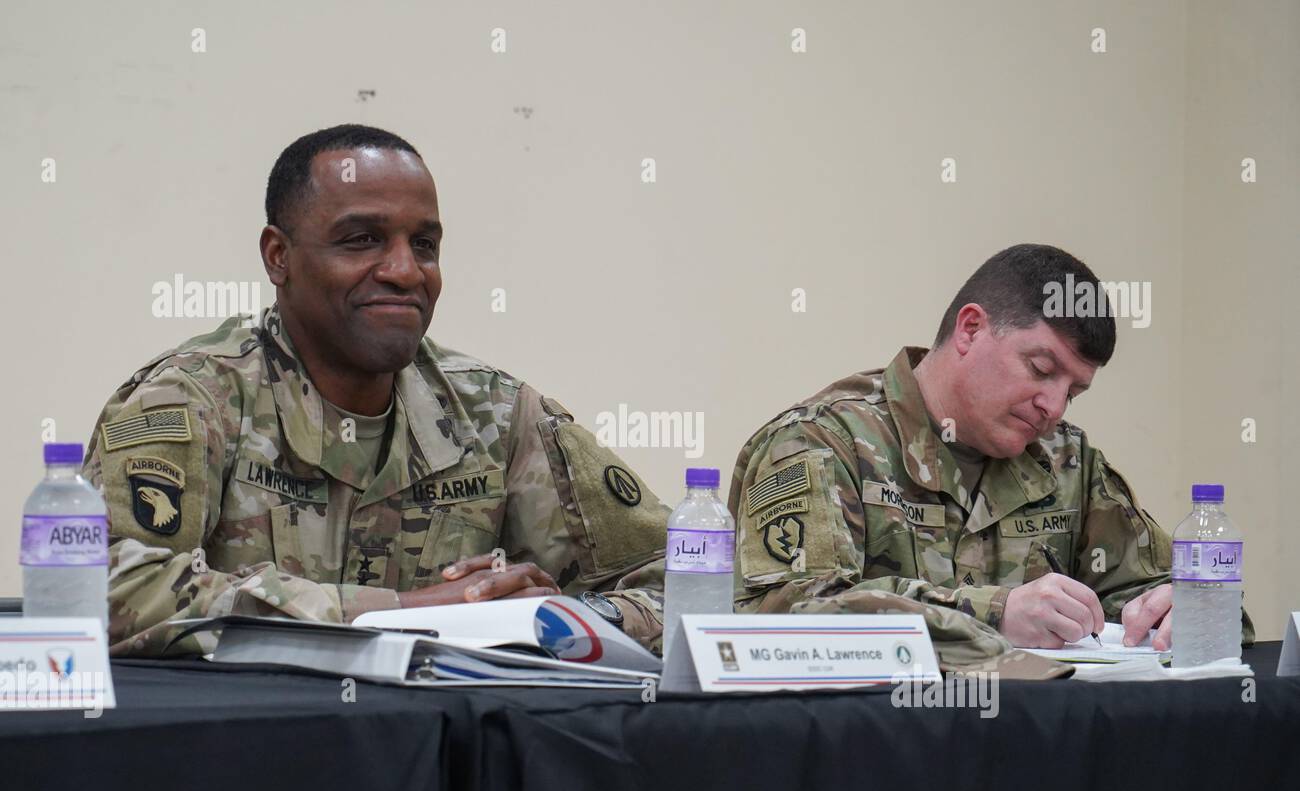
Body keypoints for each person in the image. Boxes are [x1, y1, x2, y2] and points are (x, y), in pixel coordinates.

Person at [83, 125, 668, 657]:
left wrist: (546, 616)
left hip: (438, 757)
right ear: (278, 256)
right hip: (244, 752)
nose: (405, 271)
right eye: (362, 240)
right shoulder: (195, 400)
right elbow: (102, 587)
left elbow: (686, 581)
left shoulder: (496, 415)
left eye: (424, 245)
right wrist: (398, 615)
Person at [730, 243, 1252, 666]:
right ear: (971, 329)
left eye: (1073, 392)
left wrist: (1186, 611)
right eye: (1041, 369)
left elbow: (1153, 589)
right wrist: (994, 613)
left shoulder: (1066, 461)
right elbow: (785, 616)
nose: (1052, 406)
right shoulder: (822, 443)